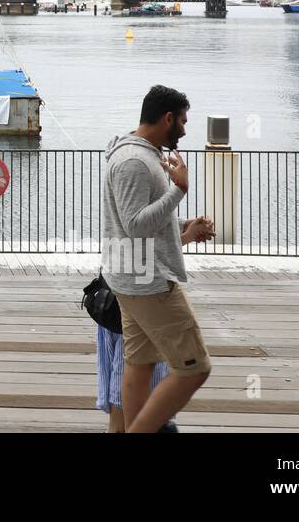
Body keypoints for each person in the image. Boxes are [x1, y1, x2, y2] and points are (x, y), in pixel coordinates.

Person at [101, 84, 215, 432]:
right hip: (149, 282)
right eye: (182, 121)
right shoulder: (135, 161)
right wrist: (180, 190)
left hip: (129, 278)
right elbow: (135, 226)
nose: (184, 128)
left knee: (141, 362)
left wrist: (184, 224)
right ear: (167, 118)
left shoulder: (142, 155)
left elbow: (138, 218)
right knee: (194, 368)